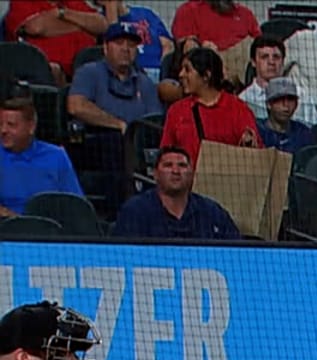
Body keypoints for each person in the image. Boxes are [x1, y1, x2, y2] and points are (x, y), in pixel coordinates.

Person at [111, 146, 241, 239]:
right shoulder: (135, 211)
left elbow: (238, 252)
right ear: (155, 174)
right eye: (168, 165)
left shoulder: (212, 212)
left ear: (192, 174)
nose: (176, 171)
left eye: (182, 166)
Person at [158, 46, 259, 164]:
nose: (181, 74)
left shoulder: (238, 109)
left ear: (206, 76)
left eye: (187, 70)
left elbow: (255, 152)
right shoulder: (177, 111)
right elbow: (165, 154)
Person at [67, 21, 161, 132]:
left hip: (136, 140)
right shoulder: (88, 72)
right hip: (97, 139)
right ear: (105, 48)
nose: (125, 49)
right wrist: (118, 124)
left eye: (131, 45)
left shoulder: (145, 83)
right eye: (119, 43)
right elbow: (76, 107)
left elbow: (155, 122)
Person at [0, 97, 85, 217]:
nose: (3, 130)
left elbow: (76, 204)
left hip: (49, 225)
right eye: (0, 124)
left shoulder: (56, 156)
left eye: (11, 125)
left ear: (31, 127)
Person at [3, 1, 106, 83]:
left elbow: (102, 25)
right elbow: (36, 28)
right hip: (45, 77)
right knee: (53, 70)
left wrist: (61, 13)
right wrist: (82, 25)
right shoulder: (22, 3)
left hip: (83, 73)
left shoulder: (72, 3)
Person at [95, 0, 173, 83]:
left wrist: (162, 70)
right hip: (130, 73)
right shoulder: (101, 21)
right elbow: (113, 34)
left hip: (157, 70)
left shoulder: (146, 13)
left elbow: (167, 45)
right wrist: (111, 8)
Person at [255, 77, 313, 153]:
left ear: (296, 104)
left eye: (290, 99)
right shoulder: (257, 132)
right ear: (268, 104)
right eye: (280, 99)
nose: (286, 105)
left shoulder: (304, 133)